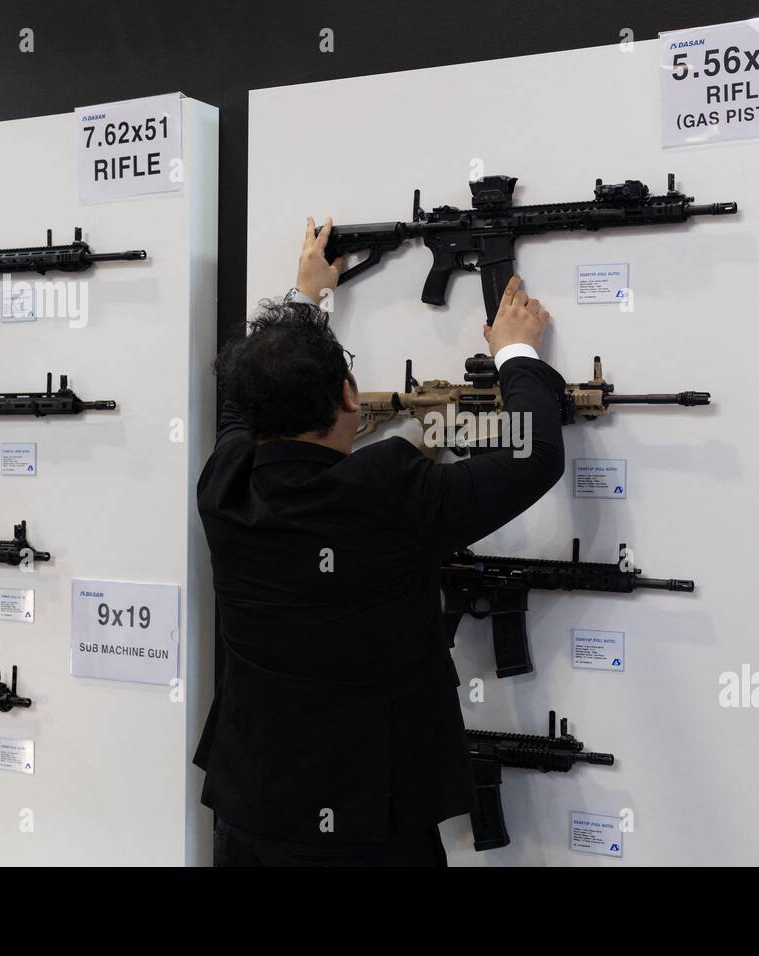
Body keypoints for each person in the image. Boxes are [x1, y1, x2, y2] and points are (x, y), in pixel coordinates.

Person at [194, 218, 565, 866]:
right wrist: (516, 353)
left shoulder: (225, 484)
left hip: (251, 811)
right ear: (347, 397)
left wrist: (306, 298)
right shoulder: (387, 489)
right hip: (369, 826)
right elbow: (533, 460)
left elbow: (238, 406)